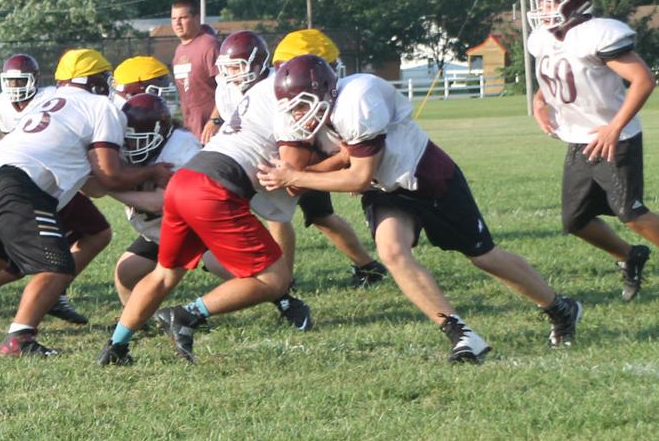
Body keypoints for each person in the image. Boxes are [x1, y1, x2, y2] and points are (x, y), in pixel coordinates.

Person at [257, 55, 583, 362]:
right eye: (291, 108)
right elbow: (345, 159)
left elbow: (358, 176)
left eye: (302, 106)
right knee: (392, 252)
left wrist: (299, 175)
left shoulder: (358, 98)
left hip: (428, 176)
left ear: (325, 92)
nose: (296, 115)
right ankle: (459, 332)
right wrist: (300, 174)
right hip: (386, 190)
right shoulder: (312, 115)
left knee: (484, 256)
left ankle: (559, 307)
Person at [0, 48, 172, 357]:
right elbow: (109, 175)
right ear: (98, 81)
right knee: (57, 265)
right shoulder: (100, 106)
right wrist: (152, 171)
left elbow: (92, 181)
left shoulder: (44, 100)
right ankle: (20, 339)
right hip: (17, 184)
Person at [97, 55, 305, 366]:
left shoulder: (233, 112)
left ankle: (116, 348)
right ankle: (185, 314)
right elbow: (294, 179)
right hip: (212, 193)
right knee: (275, 278)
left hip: (184, 186)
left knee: (165, 274)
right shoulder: (282, 111)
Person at [0, 53, 102, 339]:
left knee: (93, 233)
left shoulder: (48, 97)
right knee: (17, 259)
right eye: (9, 80)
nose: (14, 86)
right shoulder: (4, 103)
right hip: (32, 183)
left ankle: (53, 291)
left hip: (40, 179)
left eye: (19, 80)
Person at [526, 0, 658, 302]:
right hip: (580, 138)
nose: (542, 10)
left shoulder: (595, 34)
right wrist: (541, 100)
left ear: (573, 2)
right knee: (576, 221)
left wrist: (614, 127)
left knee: (631, 213)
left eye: (549, 2)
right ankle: (630, 256)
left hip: (614, 137)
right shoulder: (543, 39)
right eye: (540, 3)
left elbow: (643, 79)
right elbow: (558, 74)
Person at [270, 29, 387, 287]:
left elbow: (295, 183)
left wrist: (348, 163)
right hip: (295, 153)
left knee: (285, 211)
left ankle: (283, 283)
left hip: (302, 157)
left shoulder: (348, 102)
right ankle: (368, 266)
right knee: (318, 215)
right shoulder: (287, 96)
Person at [170, 0, 220, 143]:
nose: (177, 23)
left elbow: (228, 87)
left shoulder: (209, 45)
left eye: (183, 18)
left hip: (213, 133)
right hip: (191, 131)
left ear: (196, 18)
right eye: (174, 18)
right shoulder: (179, 50)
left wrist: (215, 120)